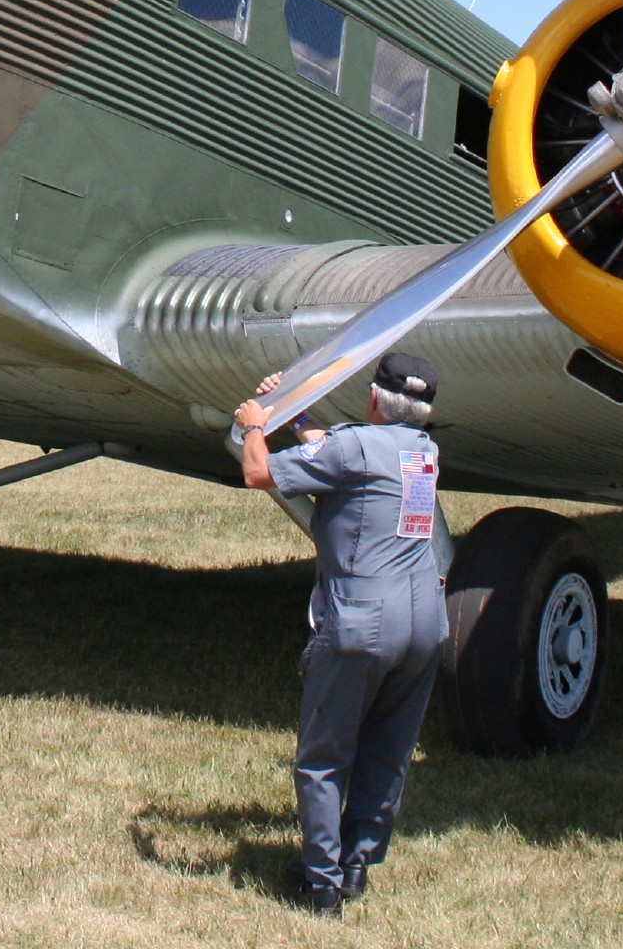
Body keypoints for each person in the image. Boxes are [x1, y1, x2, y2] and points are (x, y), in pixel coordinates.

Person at [232, 352, 446, 920]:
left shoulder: (354, 446)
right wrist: (292, 411)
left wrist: (255, 424)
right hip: (424, 617)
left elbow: (259, 472)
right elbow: (338, 449)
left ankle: (320, 885)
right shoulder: (423, 452)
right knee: (388, 747)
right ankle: (356, 863)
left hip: (361, 619)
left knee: (323, 756)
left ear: (375, 398)